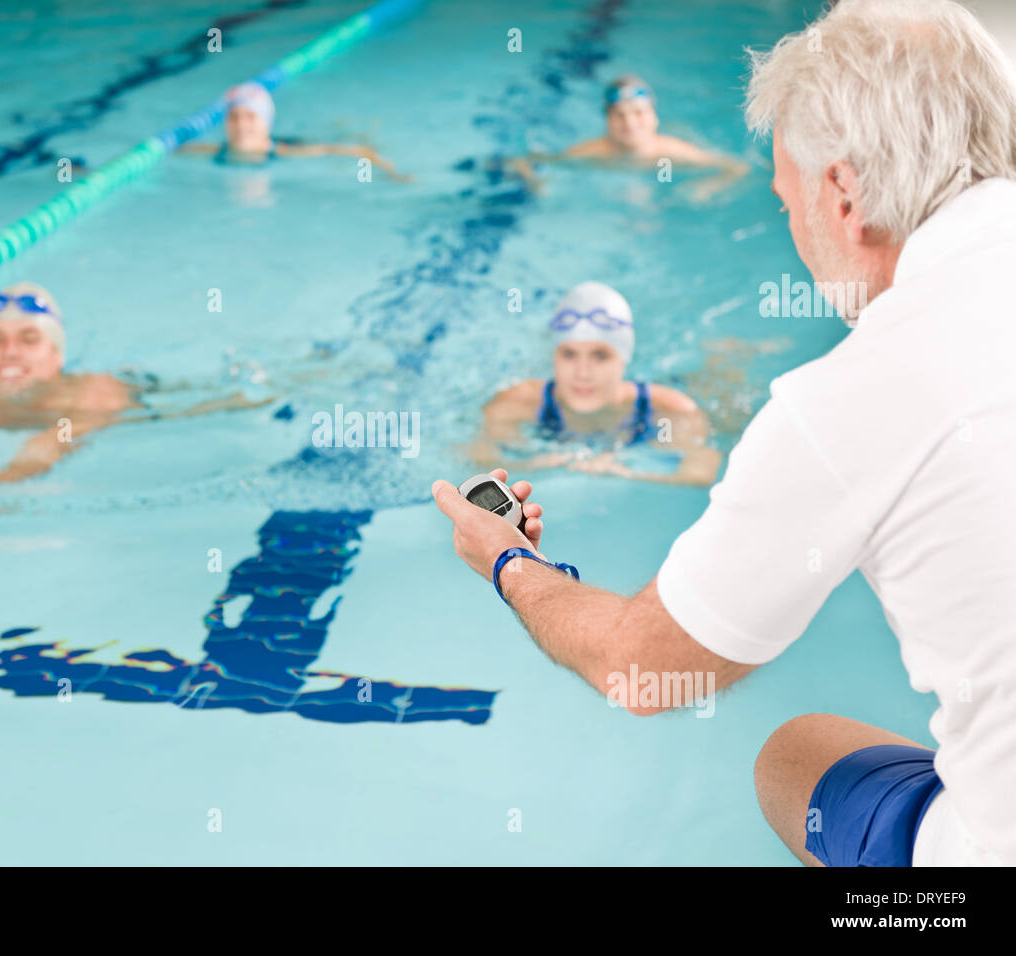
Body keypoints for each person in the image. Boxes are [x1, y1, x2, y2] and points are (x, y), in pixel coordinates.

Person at [433, 0, 1016, 867]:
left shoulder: (849, 397)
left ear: (845, 197)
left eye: (789, 206)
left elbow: (640, 669)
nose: (795, 241)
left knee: (795, 755)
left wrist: (512, 564)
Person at [0, 282, 267, 510]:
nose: (9, 353)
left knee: (244, 396)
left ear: (56, 356)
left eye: (29, 340)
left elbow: (40, 455)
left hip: (146, 401)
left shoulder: (95, 397)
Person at [474, 282, 721, 485]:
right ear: (554, 357)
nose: (582, 373)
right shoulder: (516, 402)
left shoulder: (671, 409)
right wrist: (535, 467)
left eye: (601, 355)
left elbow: (700, 476)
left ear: (624, 359)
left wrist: (624, 472)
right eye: (569, 354)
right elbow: (478, 461)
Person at [508, 75, 748, 198]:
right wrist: (535, 184)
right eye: (620, 115)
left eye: (639, 113)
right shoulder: (593, 153)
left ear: (654, 117)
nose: (630, 123)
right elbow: (523, 161)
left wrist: (706, 187)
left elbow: (737, 167)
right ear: (607, 122)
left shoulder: (672, 153)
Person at [177, 82, 411, 181]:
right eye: (234, 117)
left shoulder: (286, 151)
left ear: (266, 123)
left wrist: (392, 174)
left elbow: (356, 150)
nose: (241, 125)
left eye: (250, 117)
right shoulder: (213, 150)